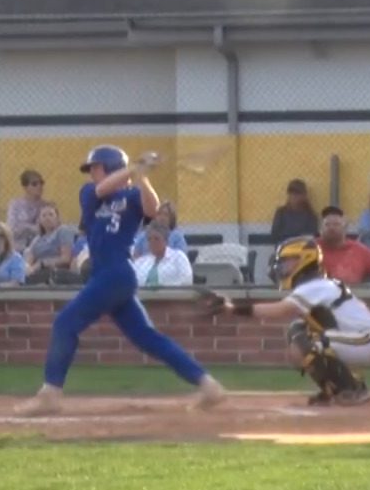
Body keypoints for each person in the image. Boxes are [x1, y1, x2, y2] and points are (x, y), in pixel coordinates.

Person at [16, 145, 226, 416]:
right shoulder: (89, 193)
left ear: (111, 167)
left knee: (64, 324)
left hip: (117, 273)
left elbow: (152, 209)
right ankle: (208, 386)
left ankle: (50, 394)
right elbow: (102, 189)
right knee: (147, 337)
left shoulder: (132, 195)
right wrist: (135, 168)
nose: (92, 173)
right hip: (106, 275)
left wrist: (143, 177)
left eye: (96, 168)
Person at [199, 236, 370, 407]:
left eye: (288, 261)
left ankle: (353, 389)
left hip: (367, 339)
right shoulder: (314, 285)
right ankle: (333, 388)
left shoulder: (316, 285)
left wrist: (233, 309)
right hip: (353, 338)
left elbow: (280, 309)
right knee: (298, 331)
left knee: (311, 344)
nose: (283, 266)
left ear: (305, 260)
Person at [317, 206, 370, 285]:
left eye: (336, 224)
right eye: (327, 224)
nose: (331, 228)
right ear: (320, 229)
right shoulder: (312, 249)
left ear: (345, 228)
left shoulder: (359, 250)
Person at [24, 204, 77, 283]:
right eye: (44, 215)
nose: (47, 218)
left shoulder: (63, 231)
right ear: (39, 220)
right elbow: (29, 260)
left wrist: (42, 264)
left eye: (51, 214)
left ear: (57, 218)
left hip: (56, 272)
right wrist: (27, 268)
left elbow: (66, 258)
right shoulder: (37, 239)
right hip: (37, 273)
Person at [132, 223, 194, 287]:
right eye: (149, 239)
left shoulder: (178, 257)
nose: (152, 242)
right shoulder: (141, 262)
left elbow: (186, 281)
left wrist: (165, 289)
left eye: (156, 239)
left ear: (166, 240)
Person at [7, 169, 50, 250]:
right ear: (25, 187)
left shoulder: (46, 206)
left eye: (41, 183)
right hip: (18, 247)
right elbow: (11, 229)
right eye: (34, 184)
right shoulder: (15, 205)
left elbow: (47, 230)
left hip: (40, 248)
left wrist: (23, 227)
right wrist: (32, 228)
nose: (39, 186)